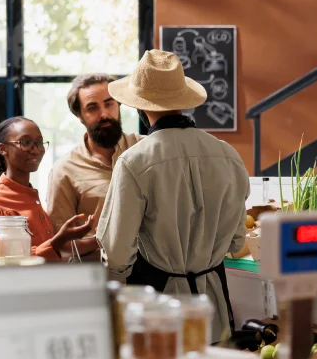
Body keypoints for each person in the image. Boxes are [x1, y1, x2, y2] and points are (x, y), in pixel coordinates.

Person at [97, 50, 250, 342]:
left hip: (157, 312)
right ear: (183, 101)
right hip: (213, 310)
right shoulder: (229, 156)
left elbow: (116, 255)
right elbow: (237, 241)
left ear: (139, 107)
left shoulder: (134, 162)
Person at [46, 74, 142, 262]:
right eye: (92, 108)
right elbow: (62, 244)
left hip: (155, 274)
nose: (104, 114)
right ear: (79, 115)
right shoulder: (64, 171)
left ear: (119, 104)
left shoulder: (146, 150)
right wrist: (104, 240)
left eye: (109, 104)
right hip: (98, 276)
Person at [0, 117, 94, 262]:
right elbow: (5, 263)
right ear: (3, 149)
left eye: (39, 142)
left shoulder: (29, 194)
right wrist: (59, 239)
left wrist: (101, 239)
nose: (36, 149)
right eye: (26, 142)